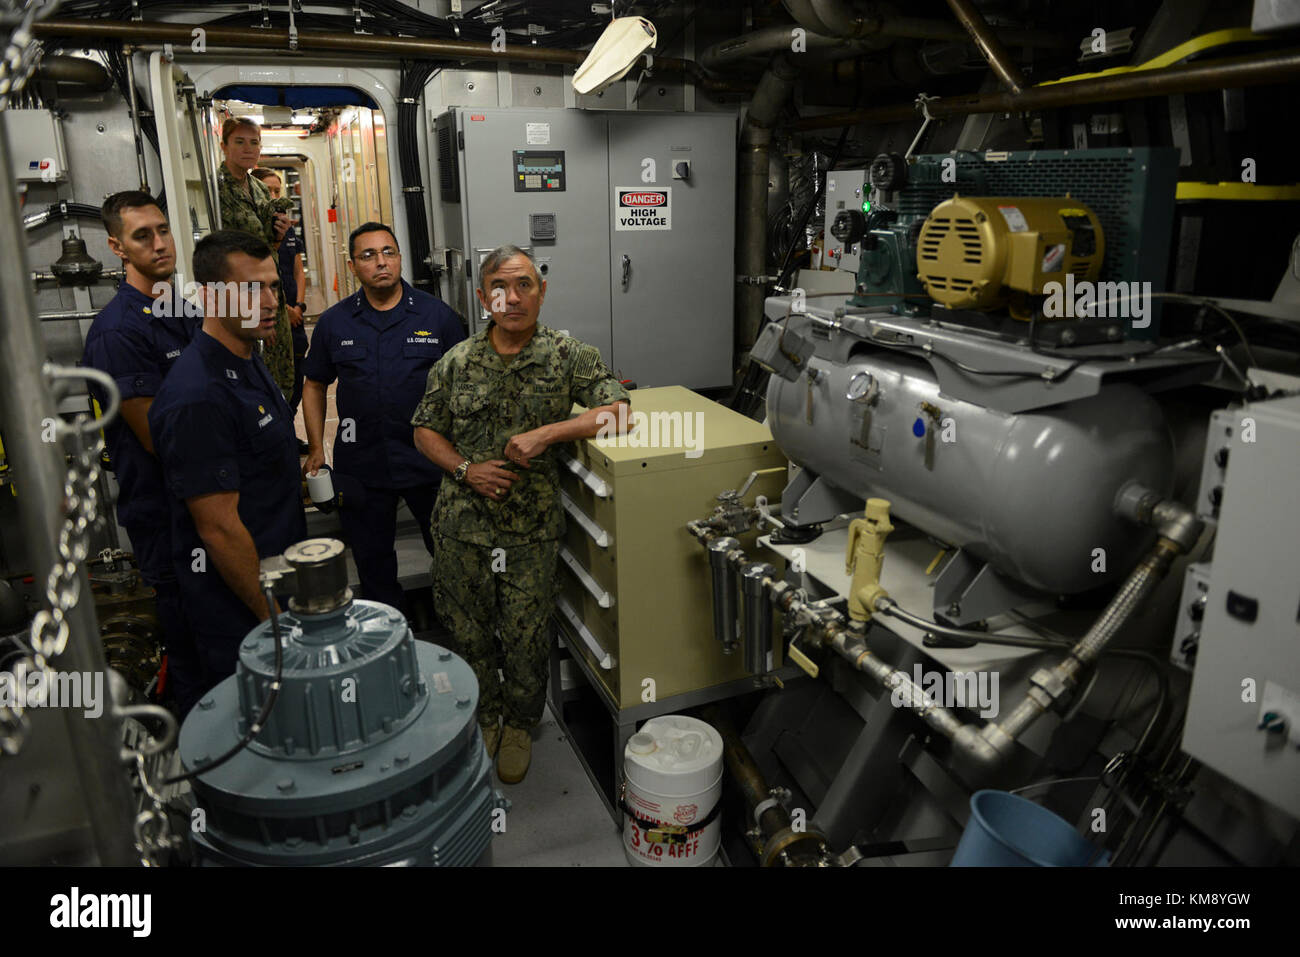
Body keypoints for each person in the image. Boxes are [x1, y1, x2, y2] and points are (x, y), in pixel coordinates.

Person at [411, 244, 629, 783]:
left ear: (541, 290)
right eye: (501, 289)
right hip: (462, 526)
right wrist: (465, 469)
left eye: (525, 285)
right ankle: (484, 714)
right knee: (468, 630)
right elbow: (423, 430)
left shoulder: (567, 355)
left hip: (530, 531)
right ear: (485, 298)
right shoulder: (457, 361)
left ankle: (519, 724)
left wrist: (548, 433)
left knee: (527, 633)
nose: (514, 298)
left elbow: (618, 414)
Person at [148, 231, 307, 716]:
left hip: (277, 578)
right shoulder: (198, 394)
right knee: (255, 732)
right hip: (238, 606)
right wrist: (271, 619)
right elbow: (217, 528)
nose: (269, 302)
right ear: (212, 296)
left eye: (273, 288)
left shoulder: (246, 356)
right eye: (251, 290)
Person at [301, 223, 465, 611]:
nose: (381, 262)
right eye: (369, 255)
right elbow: (314, 384)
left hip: (428, 459)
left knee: (451, 553)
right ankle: (388, 635)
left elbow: (467, 385)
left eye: (388, 252)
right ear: (353, 265)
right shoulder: (334, 322)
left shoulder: (437, 316)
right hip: (363, 464)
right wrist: (315, 448)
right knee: (373, 565)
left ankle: (459, 626)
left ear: (400, 257)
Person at [82, 191, 201, 711]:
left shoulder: (183, 309)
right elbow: (160, 437)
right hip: (167, 510)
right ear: (117, 247)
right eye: (141, 236)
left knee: (217, 631)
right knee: (190, 640)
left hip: (205, 498)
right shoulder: (117, 331)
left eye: (163, 230)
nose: (159, 244)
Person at [216, 116, 295, 402]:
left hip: (271, 287)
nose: (248, 148)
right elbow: (224, 254)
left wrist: (278, 235)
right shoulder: (216, 189)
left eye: (254, 142)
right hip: (242, 294)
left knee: (282, 369)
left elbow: (265, 243)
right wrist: (253, 310)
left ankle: (282, 429)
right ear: (224, 146)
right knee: (253, 371)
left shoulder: (259, 187)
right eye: (240, 142)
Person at [250, 167, 310, 448]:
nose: (275, 196)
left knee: (296, 378)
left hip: (294, 313)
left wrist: (298, 304)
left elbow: (298, 269)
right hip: (273, 315)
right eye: (268, 191)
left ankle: (287, 426)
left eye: (278, 190)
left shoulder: (286, 228)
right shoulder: (254, 231)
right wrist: (281, 312)